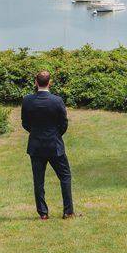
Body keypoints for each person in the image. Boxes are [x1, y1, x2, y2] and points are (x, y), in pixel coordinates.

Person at [20, 70, 76, 220]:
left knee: (38, 181)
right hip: (54, 144)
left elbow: (25, 123)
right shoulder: (57, 101)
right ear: (50, 82)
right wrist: (56, 135)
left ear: (35, 82)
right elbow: (64, 123)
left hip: (36, 145)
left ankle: (43, 213)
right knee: (65, 176)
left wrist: (35, 132)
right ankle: (68, 211)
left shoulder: (27, 100)